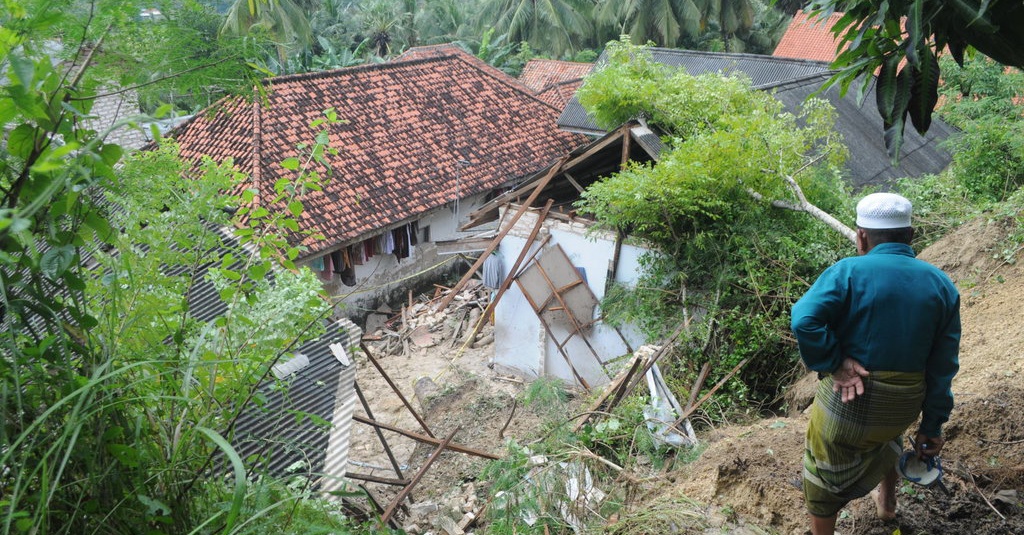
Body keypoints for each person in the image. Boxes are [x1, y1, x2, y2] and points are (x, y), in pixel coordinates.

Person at [791, 192, 961, 535]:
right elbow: (943, 366)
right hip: (903, 407)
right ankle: (887, 504)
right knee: (888, 436)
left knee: (821, 472)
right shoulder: (941, 284)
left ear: (861, 236)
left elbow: (803, 320)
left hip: (851, 405)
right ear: (910, 236)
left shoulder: (847, 271)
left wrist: (836, 364)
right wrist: (932, 425)